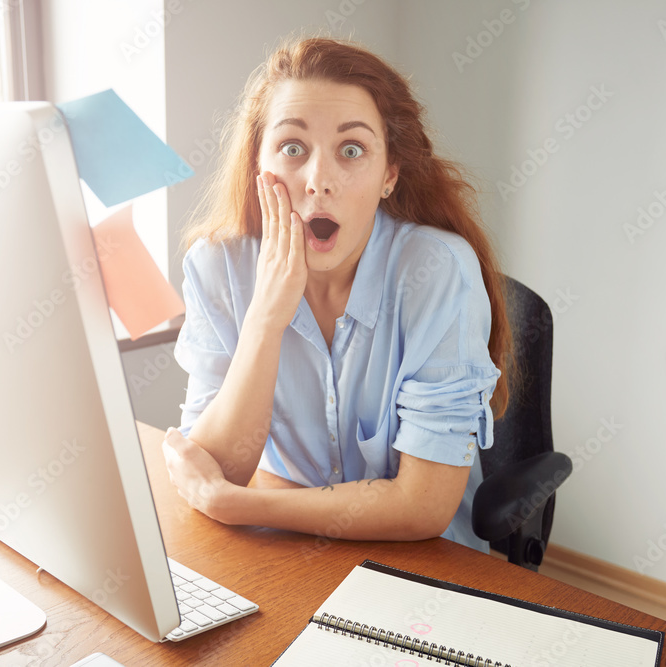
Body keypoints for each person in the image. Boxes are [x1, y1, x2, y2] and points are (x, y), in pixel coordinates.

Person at [161, 36, 513, 552]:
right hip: (291, 554)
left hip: (424, 562)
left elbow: (423, 506)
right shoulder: (219, 266)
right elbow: (220, 468)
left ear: (389, 174)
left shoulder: (436, 271)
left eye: (352, 150)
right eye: (292, 148)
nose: (318, 181)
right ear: (258, 165)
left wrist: (237, 506)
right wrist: (265, 319)